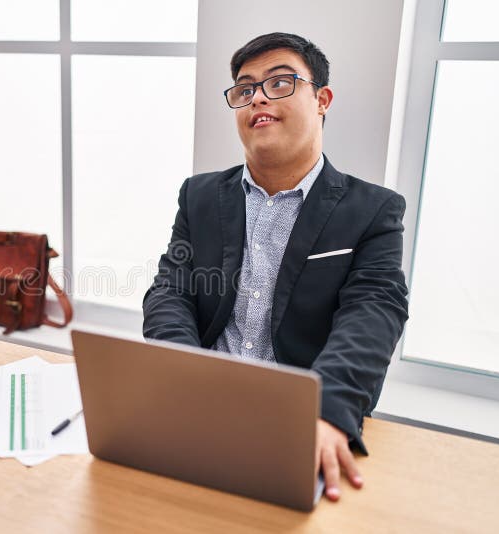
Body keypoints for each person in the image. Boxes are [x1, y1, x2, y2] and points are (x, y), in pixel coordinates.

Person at [142, 32, 409, 502]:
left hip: (300, 421)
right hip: (202, 410)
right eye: (245, 89)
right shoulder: (199, 195)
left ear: (322, 100)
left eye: (280, 82)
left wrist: (328, 412)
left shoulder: (373, 210)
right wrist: (185, 378)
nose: (258, 98)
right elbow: (170, 292)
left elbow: (373, 313)